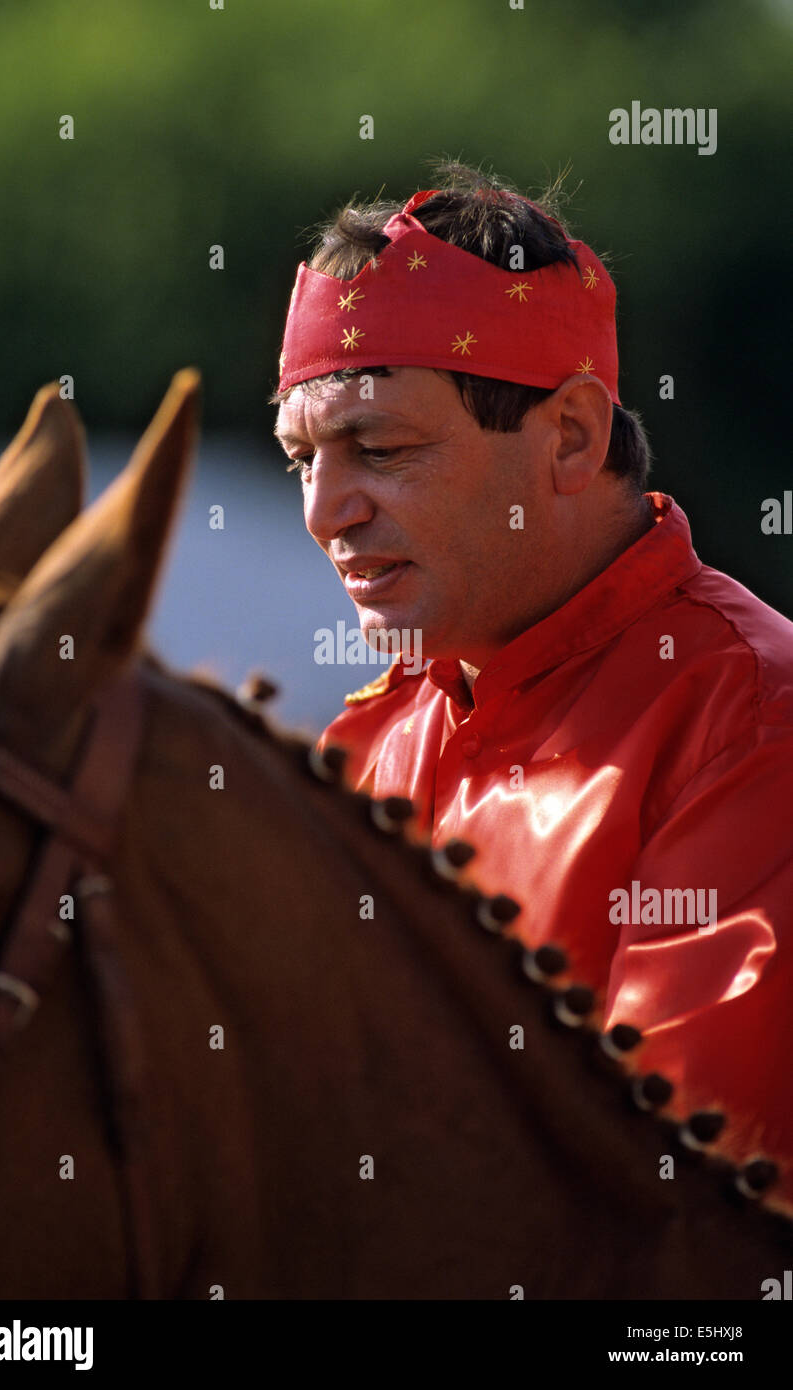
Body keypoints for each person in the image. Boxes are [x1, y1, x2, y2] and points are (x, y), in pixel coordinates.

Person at [270, 162, 793, 1214]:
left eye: (377, 446)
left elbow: (671, 1215)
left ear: (568, 437)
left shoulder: (748, 720)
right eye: (299, 461)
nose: (326, 512)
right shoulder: (365, 743)